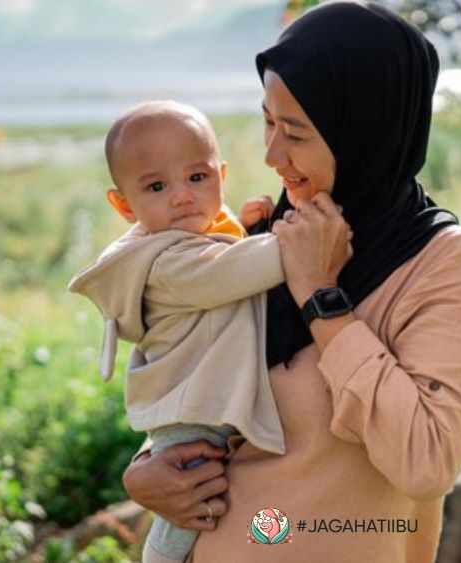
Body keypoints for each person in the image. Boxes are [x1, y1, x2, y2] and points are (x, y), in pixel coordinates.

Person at [121, 2, 461, 562]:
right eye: (268, 122)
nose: (272, 154)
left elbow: (426, 461)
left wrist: (322, 299)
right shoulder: (273, 235)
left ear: (365, 128)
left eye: (296, 133)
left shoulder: (446, 264)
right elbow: (204, 388)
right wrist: (146, 472)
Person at [68, 100, 293, 563]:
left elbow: (225, 259)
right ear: (124, 204)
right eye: (157, 186)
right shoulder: (166, 263)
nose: (183, 196)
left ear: (220, 176)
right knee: (186, 512)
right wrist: (292, 237)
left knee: (204, 507)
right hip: (193, 417)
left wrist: (251, 230)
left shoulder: (192, 236)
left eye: (197, 177)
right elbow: (230, 273)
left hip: (201, 405)